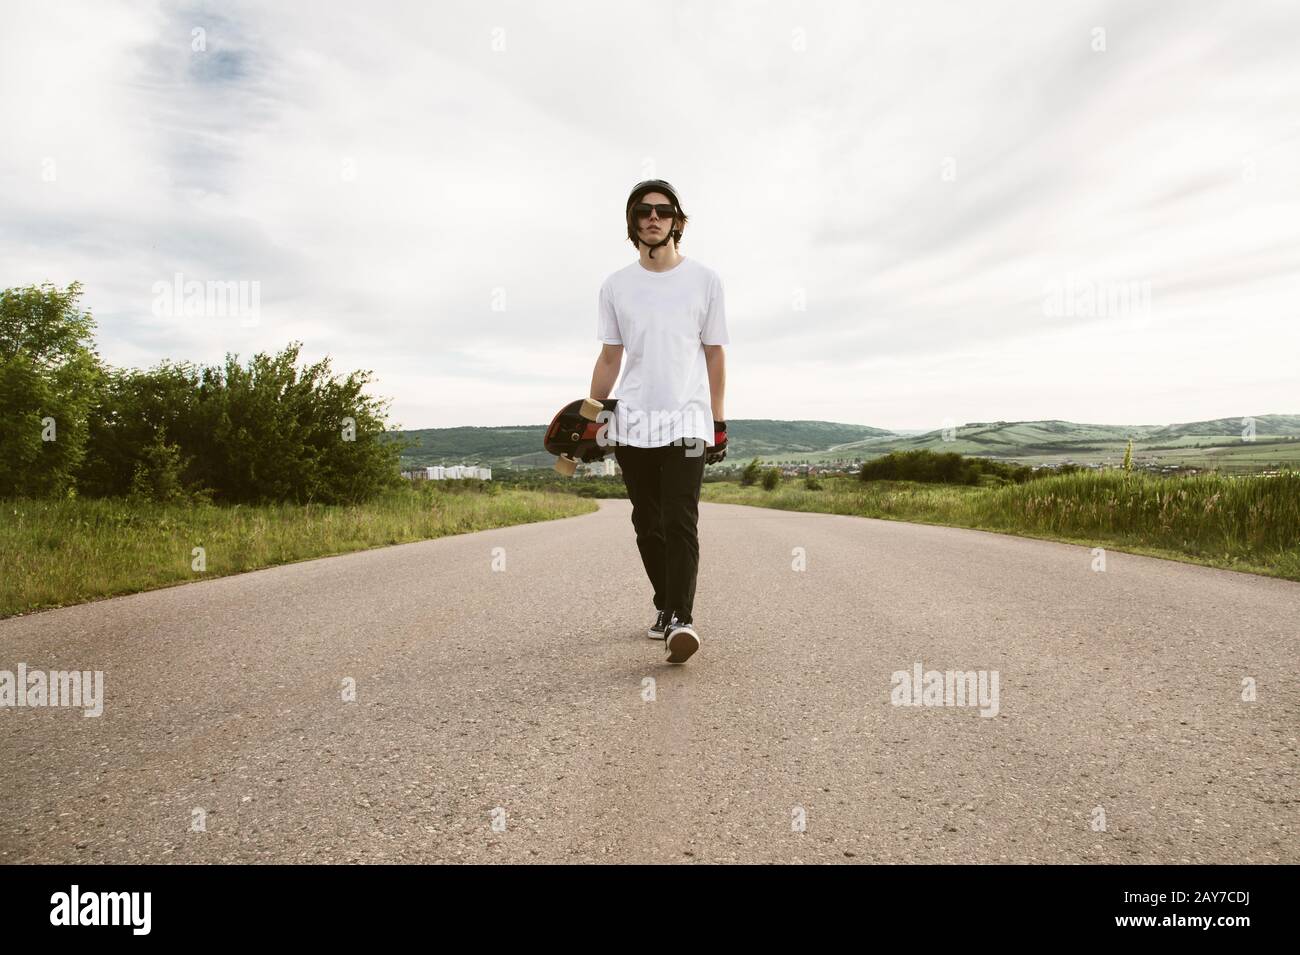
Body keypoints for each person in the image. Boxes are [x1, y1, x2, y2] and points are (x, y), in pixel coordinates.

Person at [588, 179, 729, 664]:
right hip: (632, 422)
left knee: (680, 518)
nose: (653, 217)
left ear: (677, 221)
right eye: (643, 211)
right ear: (633, 223)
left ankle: (682, 620)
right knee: (647, 523)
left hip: (689, 421)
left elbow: (714, 355)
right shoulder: (615, 286)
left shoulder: (705, 281)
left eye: (663, 210)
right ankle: (665, 605)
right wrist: (591, 416)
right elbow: (610, 358)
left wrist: (719, 420)